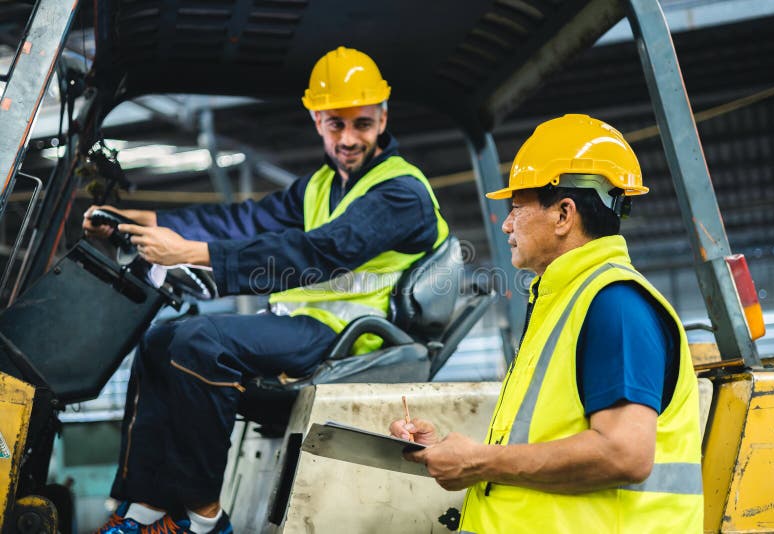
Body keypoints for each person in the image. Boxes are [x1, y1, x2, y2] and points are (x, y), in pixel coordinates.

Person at [84, 46, 449, 534]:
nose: (348, 138)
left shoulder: (399, 192)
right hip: (302, 326)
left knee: (200, 343)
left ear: (382, 118)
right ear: (317, 120)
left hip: (352, 336)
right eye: (335, 124)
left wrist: (191, 253)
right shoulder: (321, 186)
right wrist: (142, 223)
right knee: (159, 339)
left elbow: (316, 254)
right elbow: (243, 219)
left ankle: (205, 518)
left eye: (361, 123)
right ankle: (146, 509)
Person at [390, 114, 703, 533]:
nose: (506, 224)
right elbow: (540, 445)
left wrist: (478, 461)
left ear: (563, 214)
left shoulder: (614, 304)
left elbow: (624, 454)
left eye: (516, 208)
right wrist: (451, 453)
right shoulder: (565, 301)